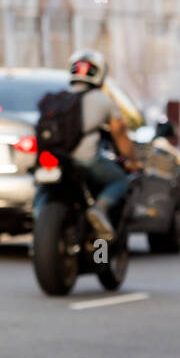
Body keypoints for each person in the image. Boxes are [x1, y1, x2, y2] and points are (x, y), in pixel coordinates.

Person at [38, 50, 141, 241]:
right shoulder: (104, 100)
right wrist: (132, 161)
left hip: (54, 159)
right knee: (119, 181)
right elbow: (120, 134)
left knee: (43, 188)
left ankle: (39, 227)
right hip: (85, 159)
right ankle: (99, 209)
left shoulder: (56, 98)